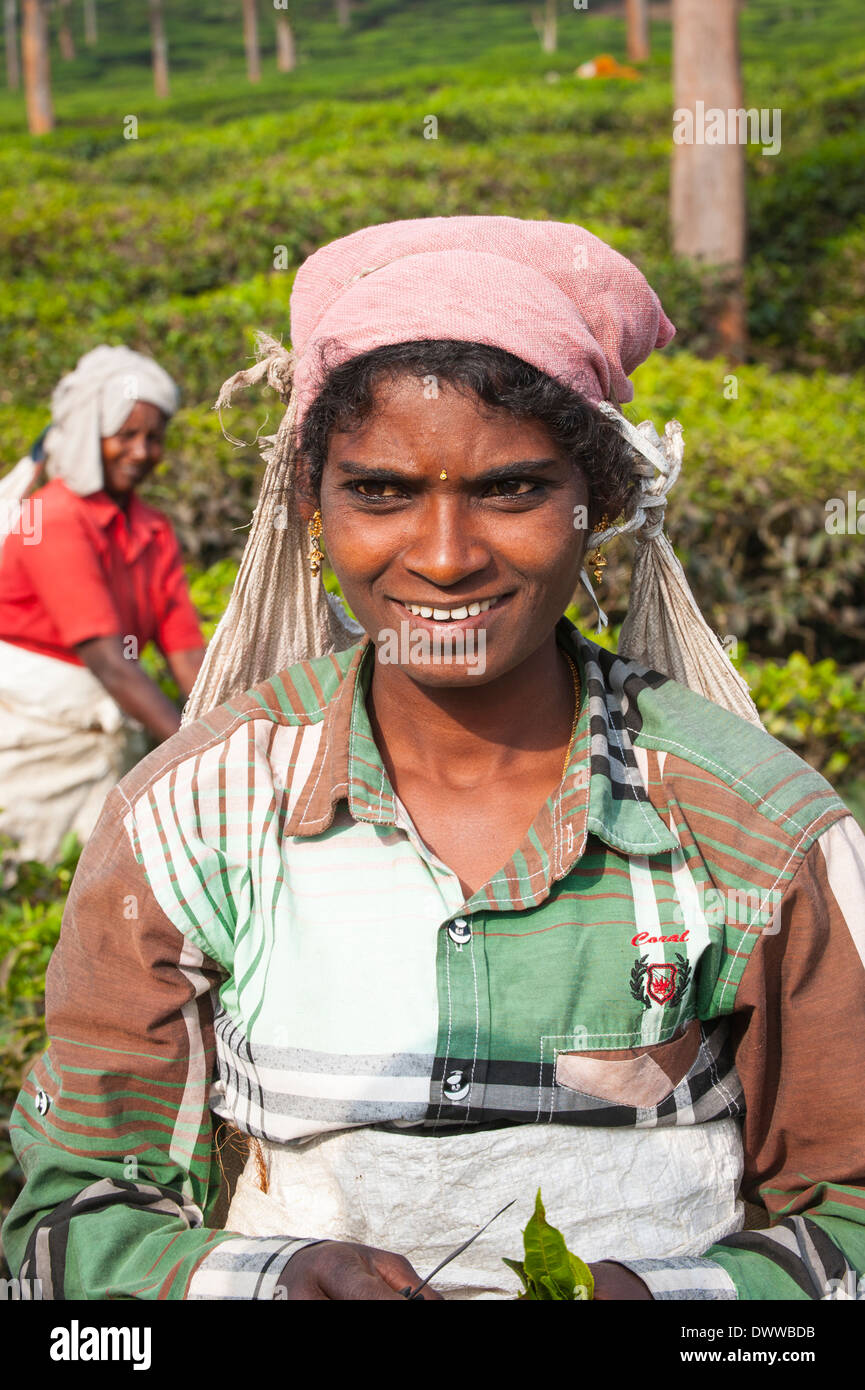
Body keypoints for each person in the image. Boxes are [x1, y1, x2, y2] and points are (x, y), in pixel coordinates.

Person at [4, 218, 864, 1301]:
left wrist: (670, 1302)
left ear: (591, 505)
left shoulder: (756, 827)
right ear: (310, 505)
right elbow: (73, 1216)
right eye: (381, 491)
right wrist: (269, 1282)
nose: (446, 556)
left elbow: (849, 1208)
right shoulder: (191, 816)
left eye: (510, 489)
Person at [0, 346, 206, 863]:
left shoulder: (152, 528)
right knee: (39, 870)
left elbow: (185, 652)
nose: (142, 451)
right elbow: (109, 661)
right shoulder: (52, 517)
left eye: (154, 437)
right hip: (41, 739)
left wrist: (225, 723)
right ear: (90, 433)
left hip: (113, 728)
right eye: (126, 435)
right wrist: (199, 750)